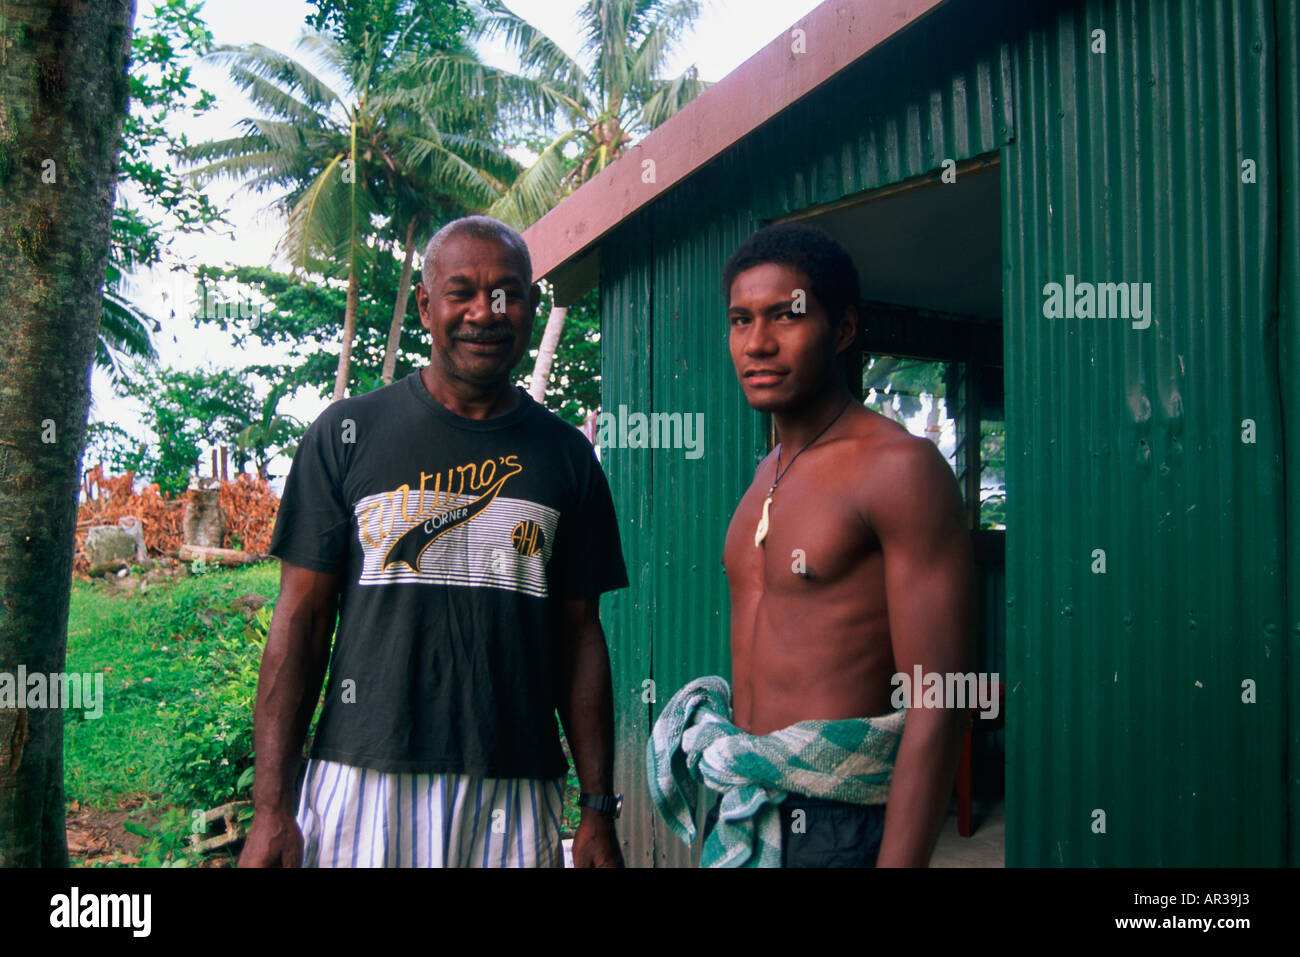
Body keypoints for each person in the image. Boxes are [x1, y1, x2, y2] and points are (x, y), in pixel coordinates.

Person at [239, 215, 628, 868]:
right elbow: (300, 622)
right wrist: (273, 807)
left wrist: (597, 809)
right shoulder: (346, 435)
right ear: (426, 305)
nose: (486, 311)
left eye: (506, 292)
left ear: (530, 307)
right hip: (364, 781)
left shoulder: (568, 457)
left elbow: (581, 639)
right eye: (463, 291)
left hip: (517, 788)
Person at [648, 223, 973, 867]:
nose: (758, 343)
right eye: (741, 320)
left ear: (843, 330)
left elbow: (942, 701)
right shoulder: (761, 476)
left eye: (784, 318)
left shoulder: (899, 468)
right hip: (746, 807)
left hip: (840, 826)